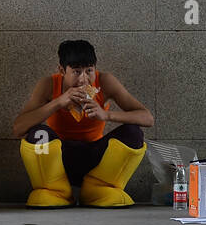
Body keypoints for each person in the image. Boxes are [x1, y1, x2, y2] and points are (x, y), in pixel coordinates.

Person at [11, 39, 153, 207]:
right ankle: (54, 192)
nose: (84, 80)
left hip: (95, 159)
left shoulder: (105, 82)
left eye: (89, 71)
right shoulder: (48, 85)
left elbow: (147, 118)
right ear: (62, 70)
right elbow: (19, 128)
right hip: (60, 160)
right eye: (76, 72)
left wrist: (106, 115)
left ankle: (99, 190)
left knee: (133, 133)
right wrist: (58, 102)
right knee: (38, 134)